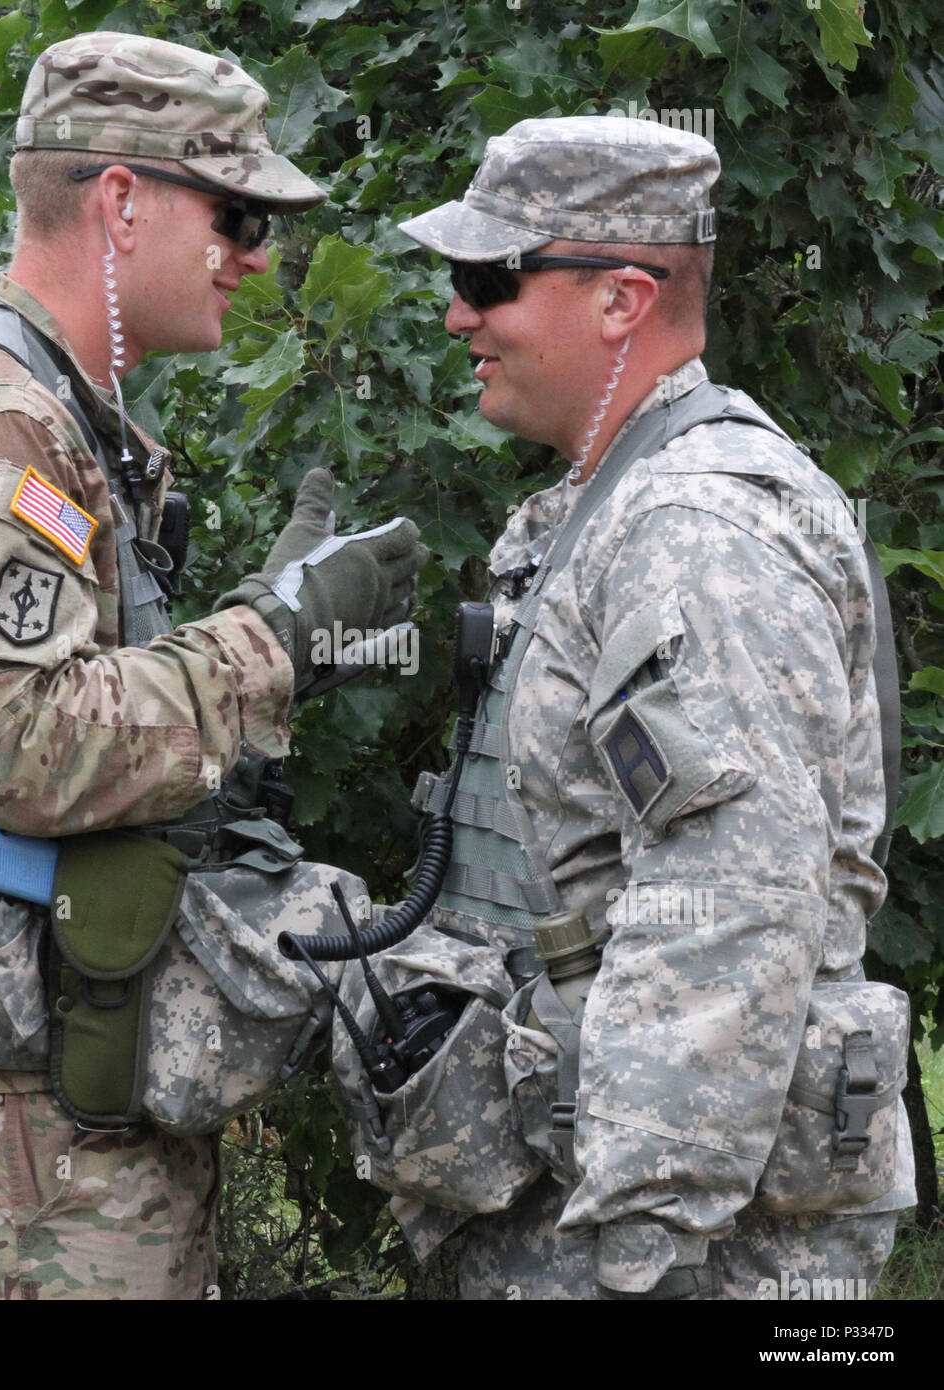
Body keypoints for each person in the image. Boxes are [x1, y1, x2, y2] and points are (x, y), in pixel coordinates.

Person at [0, 32, 423, 1301]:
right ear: (123, 200)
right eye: (238, 213)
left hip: (55, 1068)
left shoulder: (53, 416)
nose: (257, 256)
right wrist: (273, 635)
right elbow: (23, 750)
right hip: (19, 1115)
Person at [392, 114, 915, 1299]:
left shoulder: (698, 528)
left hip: (689, 1244)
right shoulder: (606, 505)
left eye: (489, 278)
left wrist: (643, 1243)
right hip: (590, 1189)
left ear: (622, 300)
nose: (456, 315)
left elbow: (726, 908)